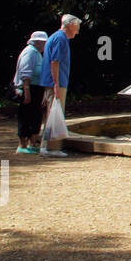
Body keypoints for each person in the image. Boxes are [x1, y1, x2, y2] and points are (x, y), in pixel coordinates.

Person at [39, 14, 81, 157]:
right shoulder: (60, 39)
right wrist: (56, 84)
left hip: (54, 82)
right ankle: (52, 148)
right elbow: (54, 62)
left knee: (52, 114)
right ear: (70, 25)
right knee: (55, 114)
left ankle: (46, 146)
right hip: (56, 82)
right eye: (77, 27)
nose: (77, 31)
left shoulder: (57, 38)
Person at [12, 31, 48, 154]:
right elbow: (25, 72)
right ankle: (22, 145)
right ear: (38, 42)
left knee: (35, 116)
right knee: (26, 115)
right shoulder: (30, 52)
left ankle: (32, 143)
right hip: (29, 88)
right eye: (44, 42)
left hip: (36, 88)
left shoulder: (37, 53)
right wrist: (27, 91)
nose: (45, 45)